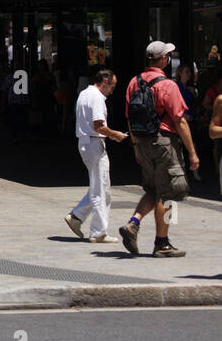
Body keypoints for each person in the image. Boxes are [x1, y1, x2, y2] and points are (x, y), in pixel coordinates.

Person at [119, 41, 199, 258]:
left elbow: (129, 117)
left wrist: (135, 145)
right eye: (167, 56)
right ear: (162, 59)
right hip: (164, 142)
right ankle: (162, 243)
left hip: (142, 142)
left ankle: (133, 223)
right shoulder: (168, 85)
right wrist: (192, 152)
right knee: (170, 192)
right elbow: (180, 121)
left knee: (153, 189)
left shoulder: (133, 83)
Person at [64, 70, 126, 243]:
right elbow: (98, 125)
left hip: (85, 142)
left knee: (99, 185)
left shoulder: (84, 93)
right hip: (94, 142)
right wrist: (115, 135)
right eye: (112, 86)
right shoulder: (97, 98)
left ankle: (77, 216)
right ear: (104, 81)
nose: (112, 90)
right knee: (101, 189)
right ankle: (98, 232)